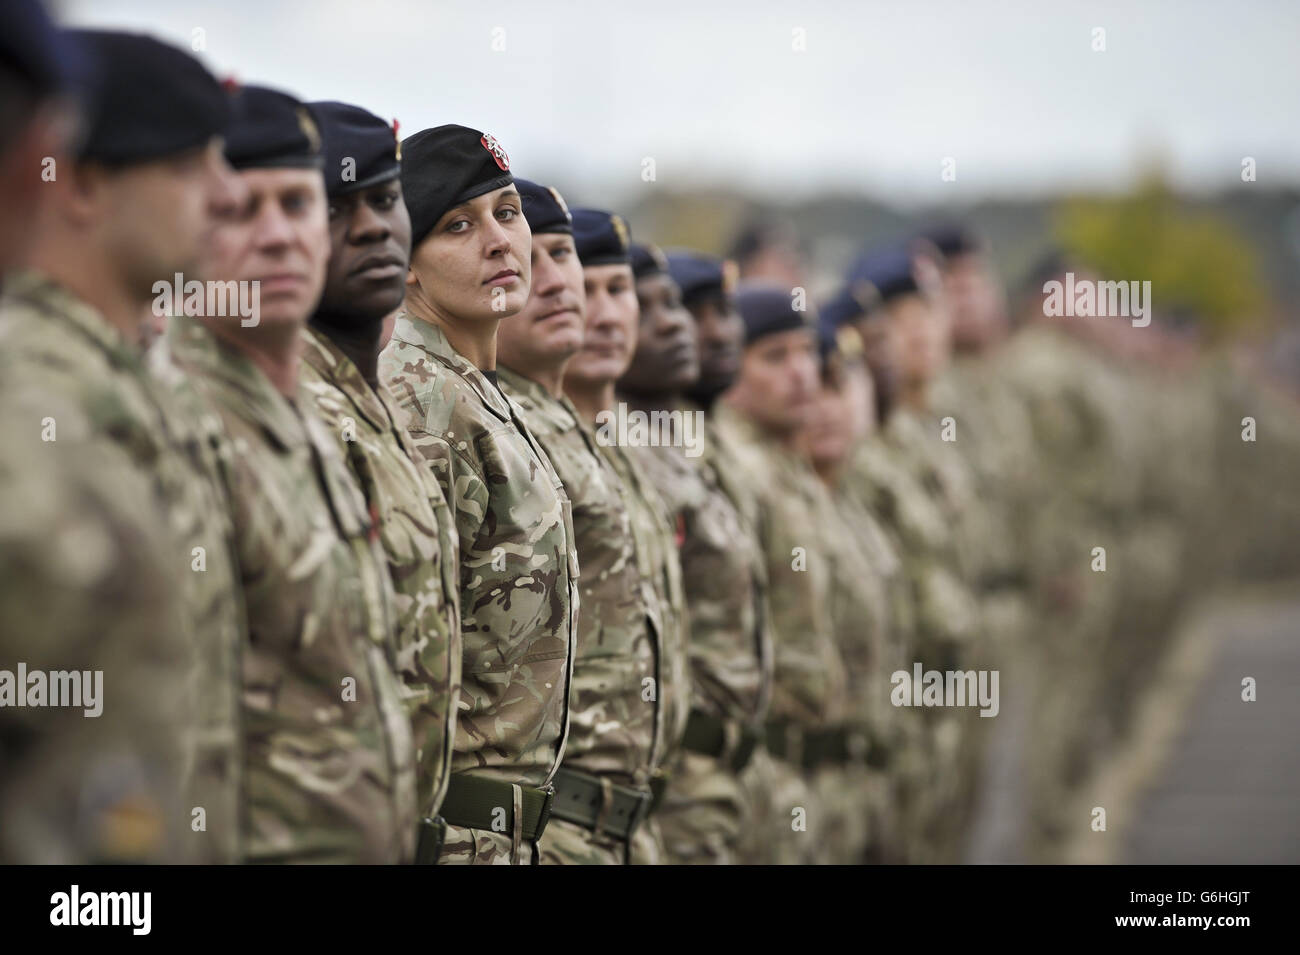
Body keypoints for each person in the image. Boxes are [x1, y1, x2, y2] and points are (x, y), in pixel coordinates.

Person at [0, 28, 242, 862]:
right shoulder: (34, 392)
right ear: (77, 183)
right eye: (186, 168)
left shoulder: (134, 387)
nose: (225, 196)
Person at [164, 84, 414, 863]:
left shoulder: (308, 415)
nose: (279, 238)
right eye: (241, 210)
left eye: (300, 205)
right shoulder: (173, 420)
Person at [379, 126, 579, 865]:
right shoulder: (422, 399)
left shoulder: (471, 390)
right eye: (458, 226)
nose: (500, 241)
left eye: (507, 211)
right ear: (405, 266)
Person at [298, 101, 461, 843]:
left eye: (385, 200)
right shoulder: (299, 416)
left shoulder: (375, 407)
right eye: (335, 206)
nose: (370, 226)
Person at [493, 181, 667, 864]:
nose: (568, 288)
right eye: (540, 258)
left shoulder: (591, 436)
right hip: (554, 820)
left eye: (565, 256)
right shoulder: (498, 431)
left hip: (620, 818)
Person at [617, 247, 774, 864]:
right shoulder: (618, 453)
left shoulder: (702, 450)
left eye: (719, 312)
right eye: (686, 308)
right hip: (673, 779)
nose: (696, 328)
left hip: (730, 775)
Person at [560, 210, 690, 864]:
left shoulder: (632, 451)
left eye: (619, 290)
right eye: (585, 289)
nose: (606, 314)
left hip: (639, 820)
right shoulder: (531, 445)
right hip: (562, 823)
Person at [714, 282, 850, 864]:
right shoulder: (736, 472)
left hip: (812, 769)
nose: (802, 373)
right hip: (767, 770)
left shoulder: (788, 469)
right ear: (731, 368)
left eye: (807, 353)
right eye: (775, 357)